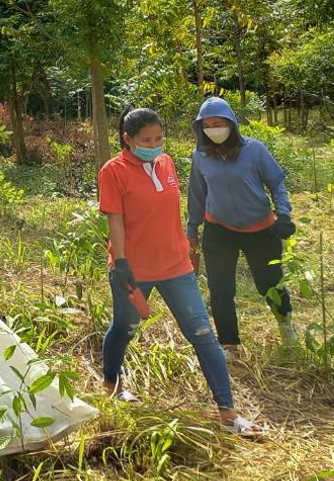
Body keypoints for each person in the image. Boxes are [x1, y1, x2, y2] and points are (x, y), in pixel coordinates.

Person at [99, 107, 262, 434]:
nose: (154, 145)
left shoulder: (166, 163)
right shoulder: (113, 171)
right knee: (124, 328)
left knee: (203, 334)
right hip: (134, 270)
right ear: (128, 139)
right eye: (147, 140)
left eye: (159, 138)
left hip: (176, 265)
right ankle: (112, 386)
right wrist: (121, 262)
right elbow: (115, 220)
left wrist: (188, 245)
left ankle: (228, 414)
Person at [187, 96, 298, 349]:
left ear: (231, 123)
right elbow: (196, 195)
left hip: (260, 228)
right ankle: (229, 344)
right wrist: (191, 230)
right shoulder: (201, 156)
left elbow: (277, 183)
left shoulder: (254, 150)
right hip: (219, 229)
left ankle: (285, 324)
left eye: (218, 124)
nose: (213, 130)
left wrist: (284, 214)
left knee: (269, 283)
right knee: (220, 288)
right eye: (207, 126)